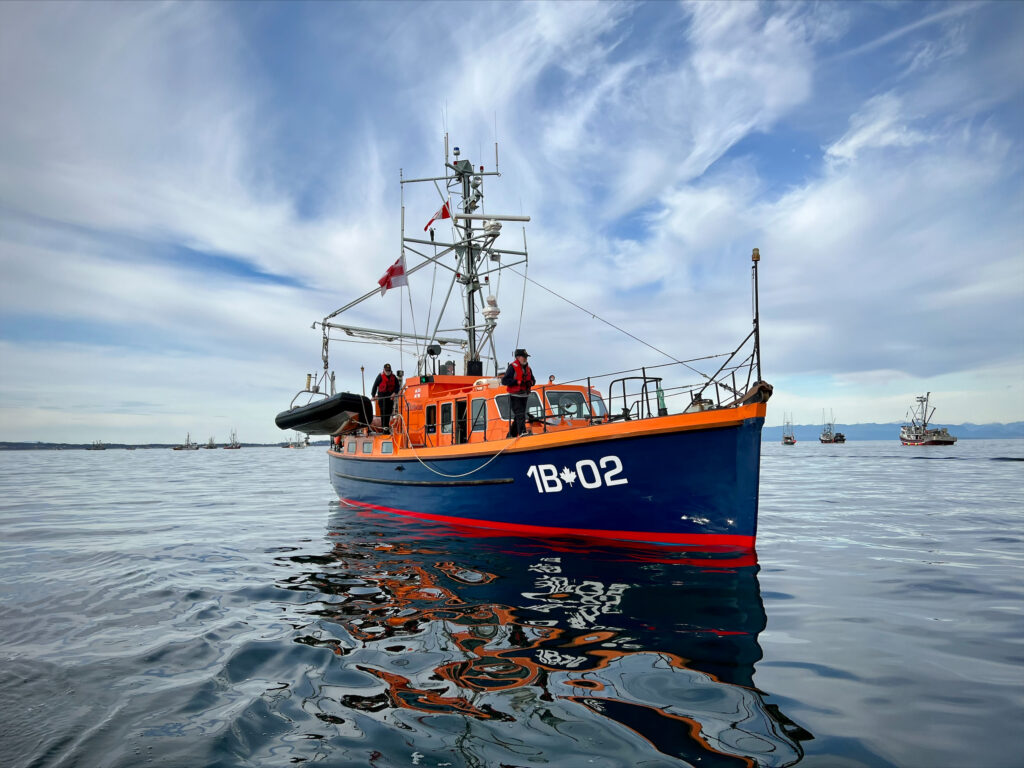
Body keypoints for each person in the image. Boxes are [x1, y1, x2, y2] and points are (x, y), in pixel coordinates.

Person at [501, 348, 535, 437]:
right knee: (520, 414)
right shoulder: (512, 367)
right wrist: (517, 382)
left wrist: (530, 382)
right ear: (518, 357)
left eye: (526, 357)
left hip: (524, 395)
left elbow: (533, 380)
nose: (525, 359)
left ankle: (511, 434)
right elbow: (504, 381)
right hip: (515, 396)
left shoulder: (528, 369)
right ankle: (522, 433)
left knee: (518, 416)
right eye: (524, 357)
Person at [371, 363, 399, 433]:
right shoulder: (380, 376)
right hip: (382, 398)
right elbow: (374, 386)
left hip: (390, 398)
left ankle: (386, 428)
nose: (388, 372)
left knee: (388, 413)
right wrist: (373, 396)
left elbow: (397, 387)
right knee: (383, 413)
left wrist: (394, 393)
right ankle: (384, 429)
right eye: (386, 370)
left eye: (389, 370)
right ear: (384, 370)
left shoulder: (394, 377)